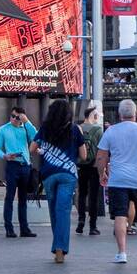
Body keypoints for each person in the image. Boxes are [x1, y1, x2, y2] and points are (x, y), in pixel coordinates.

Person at [96, 98, 137, 264]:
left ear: (119, 114)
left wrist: (102, 173)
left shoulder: (110, 131)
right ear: (136, 113)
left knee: (120, 215)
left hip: (118, 180)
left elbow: (101, 156)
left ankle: (121, 253)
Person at [29, 100, 85, 264]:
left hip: (49, 175)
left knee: (54, 212)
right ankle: (60, 249)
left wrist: (44, 151)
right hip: (68, 175)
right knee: (63, 212)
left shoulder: (45, 129)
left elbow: (32, 149)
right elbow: (83, 155)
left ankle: (58, 249)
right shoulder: (75, 129)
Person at [0, 105, 38, 239]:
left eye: (16, 117)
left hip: (25, 166)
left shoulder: (25, 127)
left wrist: (27, 121)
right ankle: (9, 228)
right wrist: (5, 156)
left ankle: (24, 228)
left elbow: (36, 136)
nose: (13, 118)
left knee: (23, 199)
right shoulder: (3, 129)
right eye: (12, 116)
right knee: (10, 197)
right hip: (12, 165)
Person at [76, 104, 103, 235]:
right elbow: (101, 151)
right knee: (93, 196)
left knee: (82, 194)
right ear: (93, 115)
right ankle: (93, 225)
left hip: (80, 165)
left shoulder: (78, 128)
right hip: (94, 166)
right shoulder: (98, 130)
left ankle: (81, 221)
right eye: (97, 115)